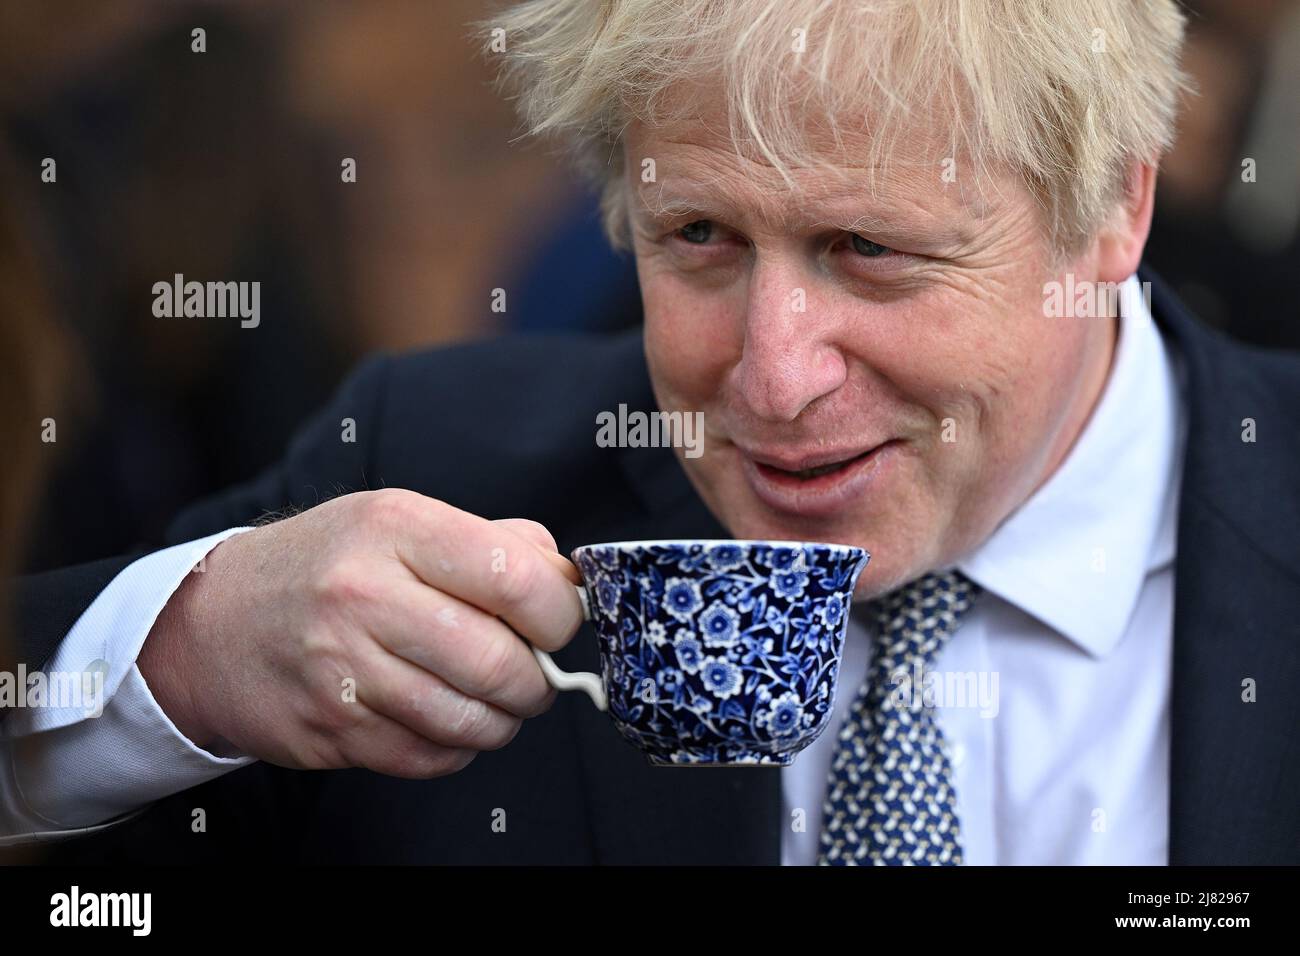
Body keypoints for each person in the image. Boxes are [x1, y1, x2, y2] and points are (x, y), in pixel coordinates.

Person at [3, 0, 1297, 864]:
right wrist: (178, 659)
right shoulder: (434, 465)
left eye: (872, 250)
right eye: (700, 240)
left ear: (1114, 210)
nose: (773, 380)